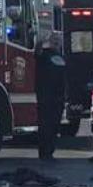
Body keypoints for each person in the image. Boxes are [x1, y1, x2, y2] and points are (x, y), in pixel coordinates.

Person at [34, 31, 66, 161]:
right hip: (45, 96)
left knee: (55, 126)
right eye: (54, 39)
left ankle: (50, 151)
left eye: (58, 40)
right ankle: (44, 152)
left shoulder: (62, 57)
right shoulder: (44, 54)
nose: (56, 42)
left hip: (59, 98)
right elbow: (37, 53)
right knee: (45, 126)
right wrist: (39, 42)